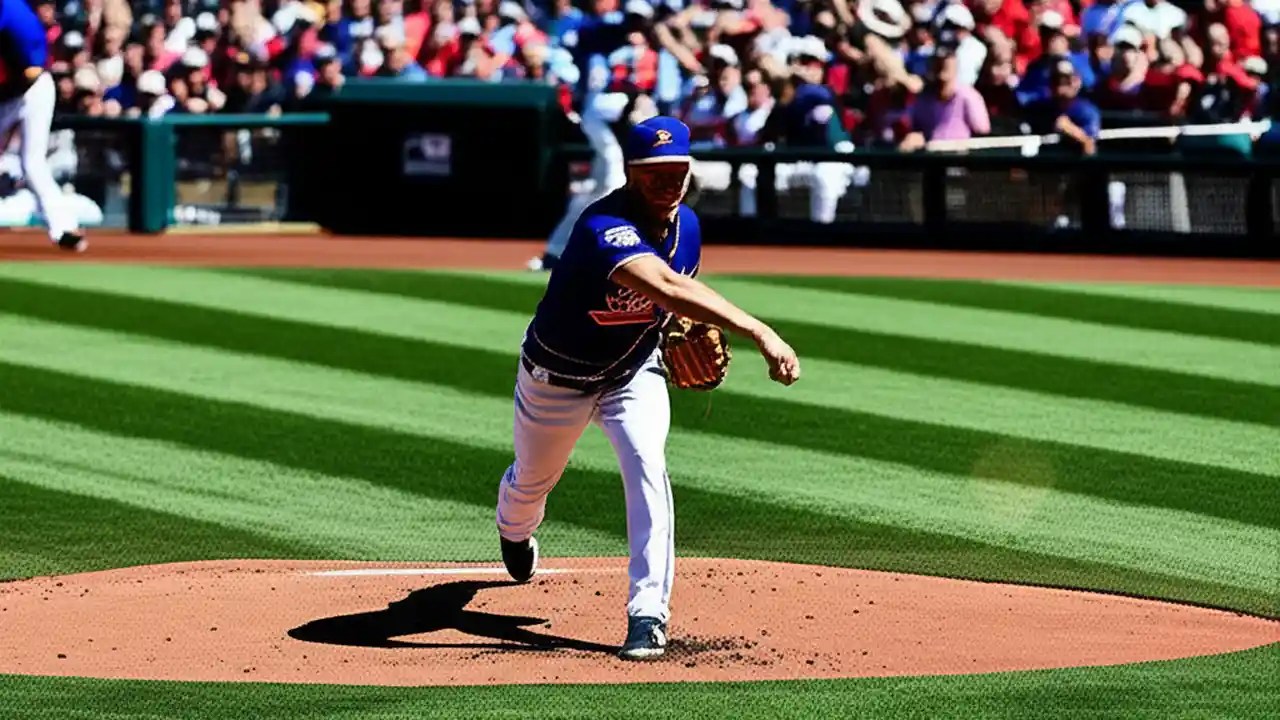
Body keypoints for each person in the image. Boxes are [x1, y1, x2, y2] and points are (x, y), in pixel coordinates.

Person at [496, 116, 801, 660]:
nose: (669, 181)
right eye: (656, 171)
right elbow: (663, 285)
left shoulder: (688, 226)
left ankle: (647, 616)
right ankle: (514, 530)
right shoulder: (601, 226)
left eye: (678, 170)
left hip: (631, 374)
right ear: (632, 173)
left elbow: (667, 306)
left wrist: (678, 330)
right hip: (555, 380)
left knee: (647, 467)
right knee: (531, 483)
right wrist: (759, 329)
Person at [0, 0, 85, 251]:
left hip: (32, 89)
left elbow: (31, 71)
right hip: (7, 92)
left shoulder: (15, 14)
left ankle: (64, 228)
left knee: (33, 162)